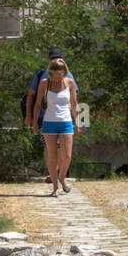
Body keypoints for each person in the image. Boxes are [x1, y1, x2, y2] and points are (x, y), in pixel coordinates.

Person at [24, 49, 78, 183]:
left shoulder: (68, 75)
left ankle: (59, 174)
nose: (55, 60)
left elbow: (73, 98)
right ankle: (53, 175)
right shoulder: (41, 75)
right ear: (48, 60)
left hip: (63, 118)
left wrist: (74, 116)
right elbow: (31, 96)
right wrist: (29, 116)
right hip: (44, 116)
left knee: (62, 149)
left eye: (58, 58)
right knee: (48, 147)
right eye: (52, 58)